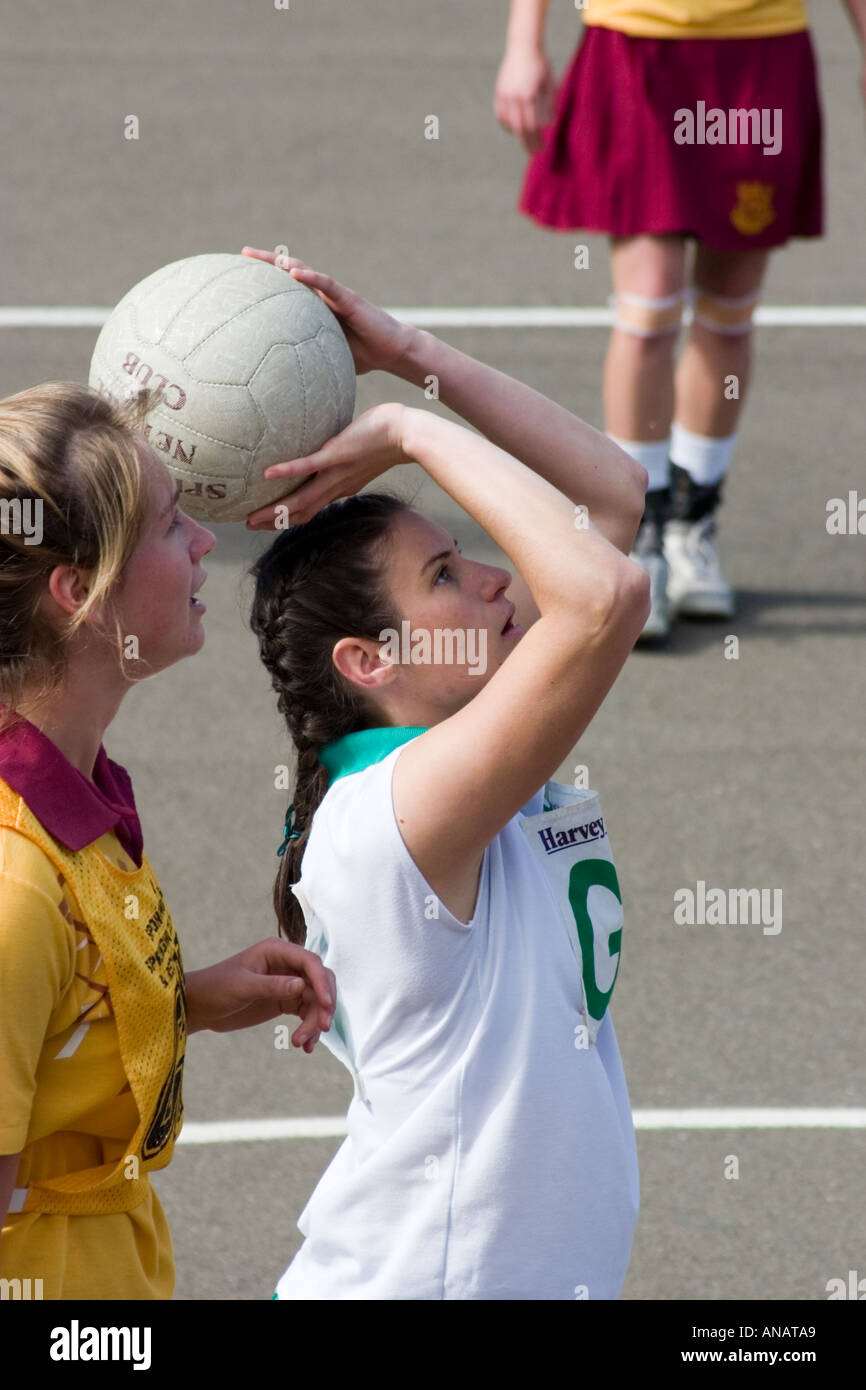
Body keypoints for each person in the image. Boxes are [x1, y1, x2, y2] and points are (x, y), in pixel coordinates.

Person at [241, 249, 650, 1300]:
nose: (491, 577)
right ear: (369, 662)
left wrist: (411, 361)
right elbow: (601, 593)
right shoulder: (392, 815)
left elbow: (612, 494)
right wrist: (406, 433)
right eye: (441, 577)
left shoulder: (445, 772)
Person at [0, 381, 336, 1300]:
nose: (203, 545)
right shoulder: (16, 888)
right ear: (80, 593)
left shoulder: (69, 785)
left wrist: (175, 1003)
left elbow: (39, 1023)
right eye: (171, 523)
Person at [493, 0, 851, 639]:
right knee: (651, 306)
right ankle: (636, 532)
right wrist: (525, 42)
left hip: (760, 49)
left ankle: (693, 520)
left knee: (730, 308)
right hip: (639, 43)